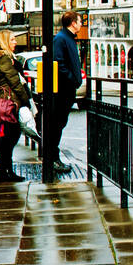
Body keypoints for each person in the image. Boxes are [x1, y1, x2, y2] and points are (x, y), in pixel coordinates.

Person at [0, 30, 32, 183]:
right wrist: (26, 101)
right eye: (12, 40)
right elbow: (15, 82)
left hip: (1, 102)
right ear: (4, 41)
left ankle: (5, 168)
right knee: (11, 136)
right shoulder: (4, 58)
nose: (15, 42)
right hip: (8, 103)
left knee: (7, 137)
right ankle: (5, 170)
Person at [49, 11, 84, 175]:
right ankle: (52, 159)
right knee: (56, 125)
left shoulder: (67, 38)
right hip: (62, 91)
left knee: (59, 124)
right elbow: (58, 63)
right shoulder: (61, 39)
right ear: (73, 23)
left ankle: (53, 158)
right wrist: (71, 78)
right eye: (80, 21)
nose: (81, 24)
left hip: (67, 90)